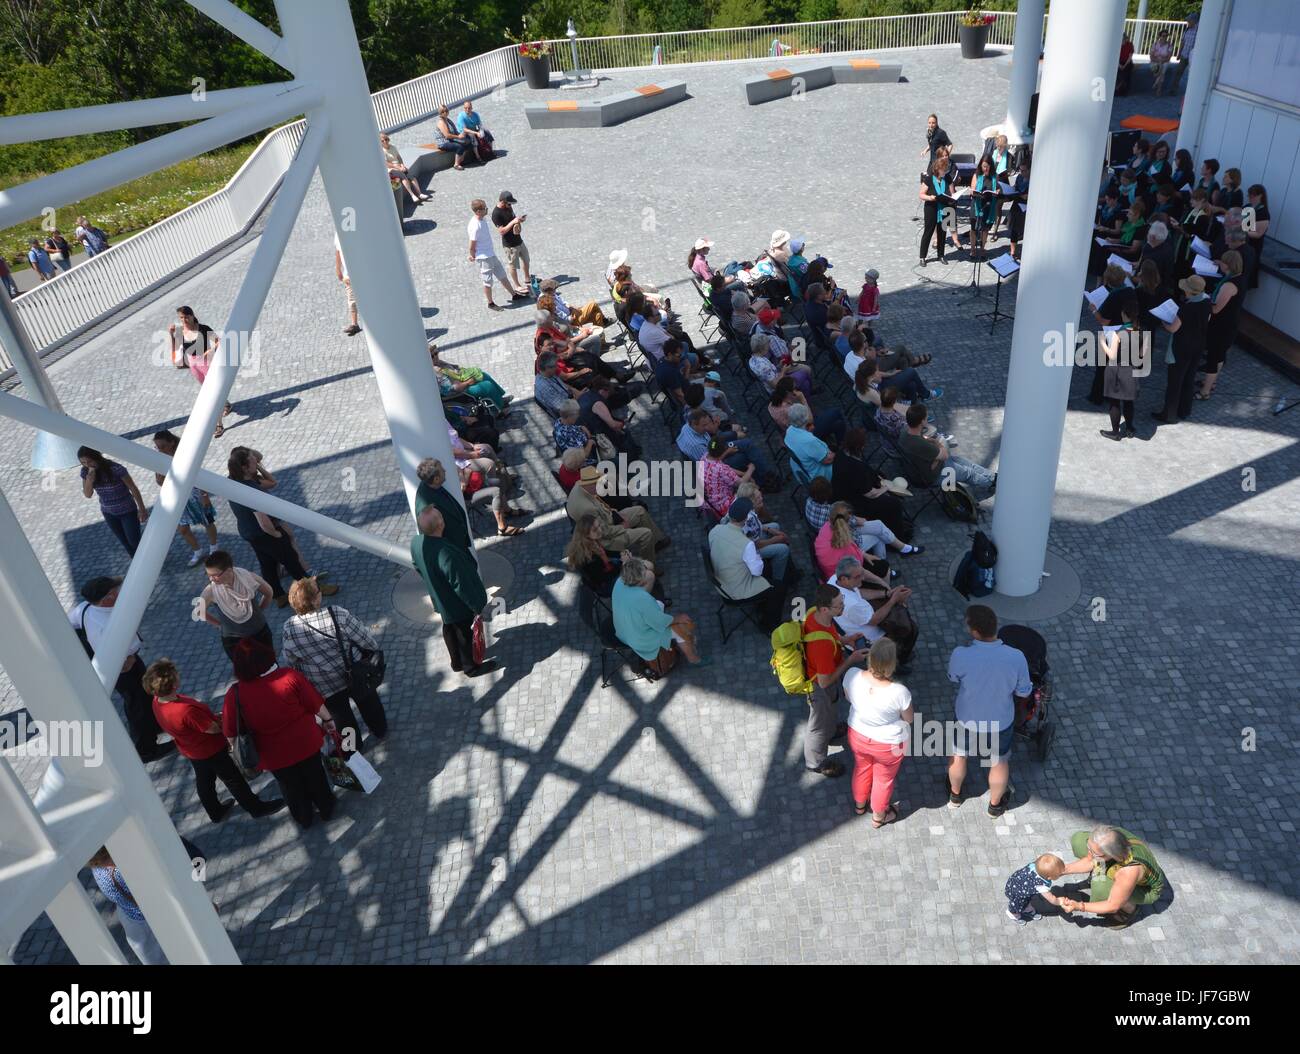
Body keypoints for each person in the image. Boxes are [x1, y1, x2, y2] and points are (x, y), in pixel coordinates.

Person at [143, 658, 285, 822]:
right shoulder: (184, 710)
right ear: (173, 684)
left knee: (204, 780)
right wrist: (223, 720)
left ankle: (215, 811)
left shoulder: (157, 702)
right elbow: (212, 729)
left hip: (191, 749)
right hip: (210, 749)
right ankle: (256, 808)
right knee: (233, 779)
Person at [222, 637, 337, 830]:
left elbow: (230, 731)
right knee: (316, 775)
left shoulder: (235, 695)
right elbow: (315, 703)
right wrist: (328, 721)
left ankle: (303, 817)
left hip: (272, 754)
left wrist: (236, 750)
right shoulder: (288, 677)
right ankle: (326, 807)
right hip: (305, 742)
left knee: (289, 786)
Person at [69, 576, 173, 763]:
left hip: (126, 663)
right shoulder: (104, 625)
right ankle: (145, 748)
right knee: (137, 703)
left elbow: (71, 623)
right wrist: (128, 657)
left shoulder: (84, 609)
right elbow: (121, 653)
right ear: (107, 598)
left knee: (143, 697)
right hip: (123, 669)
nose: (119, 592)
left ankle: (155, 725)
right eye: (114, 591)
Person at [945, 604, 1032, 817]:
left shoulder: (960, 654)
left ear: (974, 631)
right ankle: (994, 806)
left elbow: (952, 677)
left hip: (967, 718)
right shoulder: (1016, 657)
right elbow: (1023, 692)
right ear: (995, 626)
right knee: (999, 761)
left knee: (958, 755)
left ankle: (955, 796)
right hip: (1000, 720)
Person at [281, 577, 387, 750]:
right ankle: (380, 730)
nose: (320, 592)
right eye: (318, 590)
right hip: (355, 674)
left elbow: (290, 659)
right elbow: (365, 639)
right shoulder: (336, 614)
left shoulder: (290, 627)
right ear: (315, 599)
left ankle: (353, 748)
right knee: (369, 703)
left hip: (324, 684)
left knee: (342, 718)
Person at [227, 446, 340, 604]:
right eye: (253, 462)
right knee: (292, 561)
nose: (256, 462)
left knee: (267, 563)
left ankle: (278, 595)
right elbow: (263, 520)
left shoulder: (232, 480)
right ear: (245, 467)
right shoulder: (251, 490)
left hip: (249, 532)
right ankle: (315, 590)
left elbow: (261, 466)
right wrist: (276, 534)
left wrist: (253, 461)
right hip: (265, 533)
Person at [411, 506, 495, 677]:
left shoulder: (416, 542)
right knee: (464, 632)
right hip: (455, 603)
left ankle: (456, 662)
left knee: (449, 627)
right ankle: (470, 667)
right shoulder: (446, 553)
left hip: (439, 599)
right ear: (441, 525)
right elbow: (461, 584)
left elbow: (416, 565)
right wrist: (476, 605)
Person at [801, 584, 869, 779]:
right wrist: (850, 660)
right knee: (818, 725)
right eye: (839, 606)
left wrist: (845, 640)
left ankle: (831, 730)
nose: (843, 608)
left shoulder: (816, 613)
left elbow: (830, 633)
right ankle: (815, 762)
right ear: (825, 608)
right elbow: (824, 682)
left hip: (825, 681)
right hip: (819, 688)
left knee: (828, 713)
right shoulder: (820, 647)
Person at [844, 638, 912, 826]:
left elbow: (848, 697)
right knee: (883, 779)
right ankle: (879, 817)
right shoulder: (899, 692)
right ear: (892, 663)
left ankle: (859, 805)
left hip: (858, 735)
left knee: (861, 768)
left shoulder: (852, 674)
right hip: (888, 744)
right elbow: (909, 719)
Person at [707, 497, 793, 632]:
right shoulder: (746, 544)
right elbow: (757, 571)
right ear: (746, 518)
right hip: (736, 590)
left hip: (722, 580)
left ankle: (763, 605)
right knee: (779, 588)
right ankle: (769, 624)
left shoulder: (715, 530)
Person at [1056, 825, 1167, 927]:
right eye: (1089, 847)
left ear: (1111, 854)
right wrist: (1060, 870)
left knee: (1100, 887)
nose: (1089, 854)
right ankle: (1101, 871)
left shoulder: (1128, 872)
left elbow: (1112, 905)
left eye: (1093, 853)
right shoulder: (1111, 835)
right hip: (1113, 861)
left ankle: (1129, 909)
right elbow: (1091, 860)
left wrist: (1079, 906)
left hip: (1146, 890)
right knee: (1078, 840)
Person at [612, 556, 706, 674]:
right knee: (682, 627)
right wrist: (677, 618)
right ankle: (694, 659)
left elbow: (649, 566)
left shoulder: (619, 581)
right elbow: (660, 622)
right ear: (640, 579)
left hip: (624, 629)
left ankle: (686, 646)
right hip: (641, 637)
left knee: (672, 620)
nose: (647, 572)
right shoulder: (642, 599)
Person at [829, 556, 917, 668]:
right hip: (869, 638)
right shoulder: (852, 604)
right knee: (909, 629)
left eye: (862, 574)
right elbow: (874, 620)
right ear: (844, 579)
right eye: (858, 577)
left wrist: (887, 594)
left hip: (858, 621)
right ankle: (895, 663)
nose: (862, 579)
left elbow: (859, 593)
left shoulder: (834, 580)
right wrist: (894, 599)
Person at [566, 465, 667, 560]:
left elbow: (601, 510)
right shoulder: (588, 508)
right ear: (590, 484)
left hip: (608, 519)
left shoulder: (580, 487)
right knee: (646, 534)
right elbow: (604, 532)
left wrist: (614, 514)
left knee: (640, 510)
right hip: (608, 538)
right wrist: (622, 526)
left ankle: (655, 543)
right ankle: (647, 565)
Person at [88, 847, 168, 964]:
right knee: (154, 953)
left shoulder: (97, 869)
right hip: (141, 917)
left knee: (147, 952)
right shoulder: (118, 873)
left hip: (126, 911)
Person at [151, 430, 219, 567]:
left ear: (172, 443)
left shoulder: (185, 457)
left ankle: (214, 547)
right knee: (182, 529)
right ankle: (197, 551)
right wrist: (159, 477)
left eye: (163, 446)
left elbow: (199, 476)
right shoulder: (160, 459)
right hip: (177, 496)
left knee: (207, 521)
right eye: (158, 447)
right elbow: (161, 483)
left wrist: (204, 495)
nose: (160, 450)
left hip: (195, 494)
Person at [899, 403, 996, 497]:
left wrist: (928, 442)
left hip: (918, 469)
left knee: (959, 460)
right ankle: (991, 483)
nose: (927, 419)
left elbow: (920, 446)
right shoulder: (921, 444)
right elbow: (944, 455)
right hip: (931, 477)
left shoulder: (904, 432)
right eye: (926, 417)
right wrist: (938, 443)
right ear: (922, 422)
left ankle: (992, 476)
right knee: (968, 473)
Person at [1153, 275, 1212, 424]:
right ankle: (1185, 410)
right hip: (1198, 345)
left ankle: (1169, 415)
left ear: (1190, 292)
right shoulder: (1207, 301)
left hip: (1182, 348)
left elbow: (1173, 328)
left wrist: (1163, 322)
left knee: (1175, 382)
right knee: (1189, 378)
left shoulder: (1187, 308)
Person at [200, 548, 275, 663]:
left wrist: (259, 610)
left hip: (259, 634)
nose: (211, 579)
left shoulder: (247, 577)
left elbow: (269, 592)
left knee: (269, 666)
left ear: (229, 571)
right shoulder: (211, 590)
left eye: (215, 575)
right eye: (208, 575)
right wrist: (219, 625)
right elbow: (199, 611)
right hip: (235, 641)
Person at [168, 306, 232, 435]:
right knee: (209, 390)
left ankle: (218, 424)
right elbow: (175, 348)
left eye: (186, 316)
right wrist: (171, 334)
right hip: (194, 366)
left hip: (207, 363)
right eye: (181, 317)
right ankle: (226, 404)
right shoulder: (180, 331)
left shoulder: (203, 328)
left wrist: (209, 351)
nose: (184, 319)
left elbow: (219, 341)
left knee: (211, 394)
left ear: (192, 315)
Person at [677, 407, 776, 487]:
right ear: (694, 424)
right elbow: (710, 465)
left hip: (714, 446)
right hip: (716, 457)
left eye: (708, 423)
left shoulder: (689, 426)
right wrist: (727, 452)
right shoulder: (696, 446)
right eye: (704, 425)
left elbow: (712, 438)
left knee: (747, 444)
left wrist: (714, 428)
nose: (707, 427)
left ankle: (764, 475)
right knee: (744, 456)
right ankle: (764, 480)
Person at [78, 446, 148, 557]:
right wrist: (89, 480)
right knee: (124, 542)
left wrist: (142, 509)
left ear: (96, 457)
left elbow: (133, 488)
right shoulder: (85, 472)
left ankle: (148, 557)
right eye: (83, 462)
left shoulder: (116, 469)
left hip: (127, 511)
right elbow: (88, 494)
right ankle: (136, 562)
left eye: (89, 461)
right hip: (109, 512)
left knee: (134, 541)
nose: (87, 464)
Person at [1097, 294, 1145, 441]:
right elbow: (1142, 356)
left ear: (1124, 314)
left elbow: (1111, 356)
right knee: (1129, 402)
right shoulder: (1142, 331)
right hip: (1132, 371)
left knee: (1114, 402)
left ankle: (1115, 432)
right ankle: (1130, 428)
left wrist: (1102, 342)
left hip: (1116, 370)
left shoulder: (1119, 333)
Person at [1199, 250, 1243, 400]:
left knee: (1214, 357)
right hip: (1228, 324)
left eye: (1223, 262)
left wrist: (1204, 300)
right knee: (1219, 356)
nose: (1221, 264)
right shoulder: (1237, 278)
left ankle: (1205, 391)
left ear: (1228, 265)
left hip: (1221, 327)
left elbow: (1216, 308)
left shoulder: (1229, 285)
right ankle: (1211, 383)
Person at [467, 198, 526, 310]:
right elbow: (472, 244)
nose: (487, 210)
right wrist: (472, 255)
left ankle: (514, 295)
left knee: (502, 275)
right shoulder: (475, 225)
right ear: (478, 211)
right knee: (487, 281)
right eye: (485, 208)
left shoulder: (481, 220)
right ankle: (490, 303)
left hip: (490, 254)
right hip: (484, 257)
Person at [429, 344, 511, 413]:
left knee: (484, 375)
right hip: (460, 392)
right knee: (487, 386)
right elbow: (451, 389)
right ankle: (499, 409)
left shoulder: (439, 362)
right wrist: (468, 382)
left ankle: (500, 399)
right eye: (432, 356)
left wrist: (466, 372)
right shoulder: (436, 371)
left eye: (436, 353)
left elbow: (456, 367)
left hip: (462, 381)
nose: (435, 357)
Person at [918, 153, 958, 266]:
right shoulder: (929, 179)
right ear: (937, 169)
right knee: (928, 232)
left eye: (945, 170)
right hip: (931, 208)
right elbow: (921, 194)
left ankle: (941, 255)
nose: (945, 172)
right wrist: (930, 198)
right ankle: (922, 257)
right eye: (943, 170)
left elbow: (952, 192)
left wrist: (954, 197)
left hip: (945, 207)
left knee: (943, 232)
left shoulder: (948, 178)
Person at [1004, 854, 1066, 925]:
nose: (1060, 875)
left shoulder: (1036, 865)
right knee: (1017, 905)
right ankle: (1013, 914)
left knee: (1026, 901)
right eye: (1059, 874)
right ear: (1049, 877)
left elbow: (1045, 861)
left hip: (1014, 882)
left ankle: (1026, 908)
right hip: (1019, 895)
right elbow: (1051, 899)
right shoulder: (1041, 885)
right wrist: (1059, 901)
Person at [783, 402, 835, 484]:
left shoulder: (789, 431)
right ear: (806, 418)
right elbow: (828, 460)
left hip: (803, 468)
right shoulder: (809, 441)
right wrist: (836, 453)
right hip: (821, 475)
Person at [701, 437, 752, 518]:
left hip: (709, 504)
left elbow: (719, 463)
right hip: (723, 507)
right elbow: (741, 483)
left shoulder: (704, 457)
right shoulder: (722, 469)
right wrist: (751, 469)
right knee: (754, 496)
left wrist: (744, 473)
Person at [491, 190, 531, 292]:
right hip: (510, 245)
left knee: (526, 259)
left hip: (518, 240)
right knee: (513, 266)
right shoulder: (496, 214)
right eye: (509, 203)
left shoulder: (508, 207)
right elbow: (502, 231)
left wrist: (519, 220)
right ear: (503, 202)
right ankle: (517, 285)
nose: (511, 205)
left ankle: (527, 278)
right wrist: (513, 222)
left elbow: (513, 219)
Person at [380, 132, 430, 204]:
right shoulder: (382, 151)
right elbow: (386, 163)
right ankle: (412, 195)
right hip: (391, 169)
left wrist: (402, 165)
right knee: (403, 176)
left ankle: (419, 194)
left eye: (386, 139)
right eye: (382, 140)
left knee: (411, 176)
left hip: (399, 166)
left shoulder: (393, 147)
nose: (385, 141)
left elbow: (398, 157)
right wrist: (397, 167)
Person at [969, 155, 998, 258]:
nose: (985, 168)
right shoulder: (977, 175)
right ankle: (972, 249)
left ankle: (982, 248)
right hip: (976, 205)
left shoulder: (994, 176)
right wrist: (974, 192)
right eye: (983, 166)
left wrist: (997, 192)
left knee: (985, 229)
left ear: (991, 166)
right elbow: (972, 189)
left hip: (988, 206)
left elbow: (998, 188)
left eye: (987, 166)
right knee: (973, 228)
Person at [433, 103, 471, 169]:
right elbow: (447, 135)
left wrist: (462, 134)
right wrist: (458, 137)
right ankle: (456, 164)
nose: (445, 112)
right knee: (459, 146)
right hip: (443, 142)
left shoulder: (448, 120)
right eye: (443, 111)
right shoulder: (441, 122)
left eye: (446, 111)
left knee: (468, 140)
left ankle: (461, 160)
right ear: (440, 113)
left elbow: (455, 131)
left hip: (450, 139)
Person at [1148, 30, 1174, 94]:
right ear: (1160, 36)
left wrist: (1161, 62)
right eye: (1163, 36)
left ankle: (1157, 86)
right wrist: (1159, 61)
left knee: (1163, 67)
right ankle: (1158, 88)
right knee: (1161, 70)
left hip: (1164, 61)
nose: (1164, 37)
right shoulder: (1155, 44)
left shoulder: (1169, 46)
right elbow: (1151, 56)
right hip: (1155, 61)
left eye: (1166, 36)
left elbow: (1168, 58)